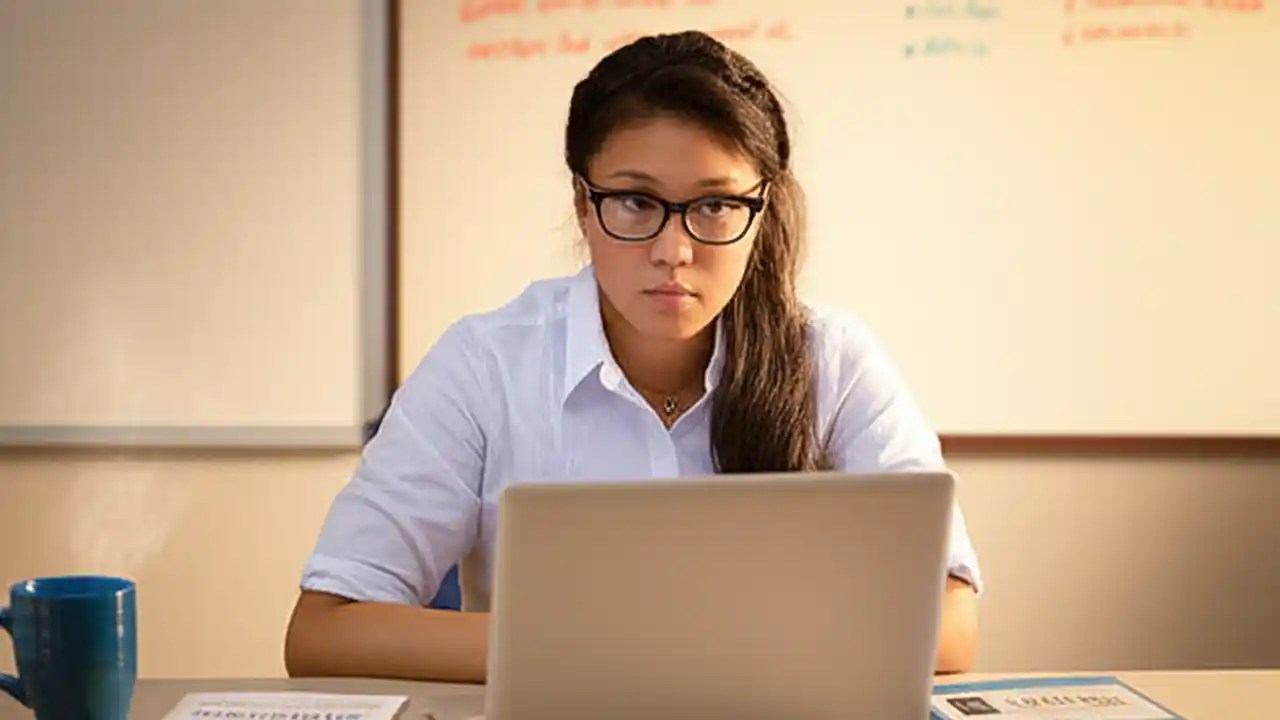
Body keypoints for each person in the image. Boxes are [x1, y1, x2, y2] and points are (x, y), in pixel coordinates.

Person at [284, 30, 982, 683]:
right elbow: (324, 633)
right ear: (584, 205)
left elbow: (950, 622)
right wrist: (615, 650)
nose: (672, 251)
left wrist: (660, 649)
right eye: (634, 201)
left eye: (714, 206)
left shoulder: (832, 361)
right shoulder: (485, 364)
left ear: (759, 211)